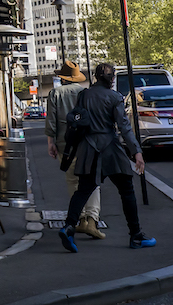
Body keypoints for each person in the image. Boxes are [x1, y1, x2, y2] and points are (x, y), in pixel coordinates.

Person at [60, 63, 156, 252]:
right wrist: (136, 151)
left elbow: (79, 120)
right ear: (111, 79)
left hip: (88, 148)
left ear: (95, 77)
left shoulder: (84, 95)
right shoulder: (114, 97)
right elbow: (124, 127)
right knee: (126, 189)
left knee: (83, 190)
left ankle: (69, 227)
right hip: (110, 147)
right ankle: (136, 235)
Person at [46, 61, 105, 241]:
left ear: (62, 78)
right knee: (92, 181)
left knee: (73, 181)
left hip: (65, 144)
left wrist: (51, 142)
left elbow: (51, 121)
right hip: (87, 143)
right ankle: (92, 220)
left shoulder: (55, 93)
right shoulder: (85, 93)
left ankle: (79, 218)